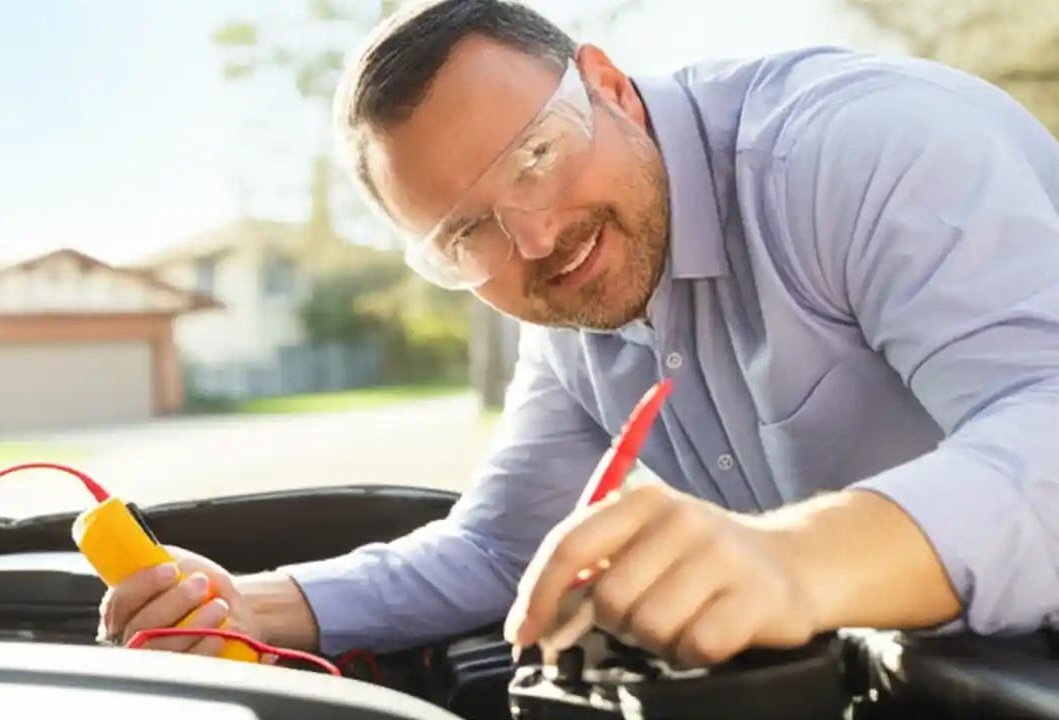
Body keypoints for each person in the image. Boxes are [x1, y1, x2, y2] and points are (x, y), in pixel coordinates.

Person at [98, 0, 1059, 668]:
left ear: (609, 86)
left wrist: (796, 559)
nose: (536, 237)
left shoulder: (863, 150)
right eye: (465, 235)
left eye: (536, 158)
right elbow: (502, 548)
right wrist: (266, 604)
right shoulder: (573, 302)